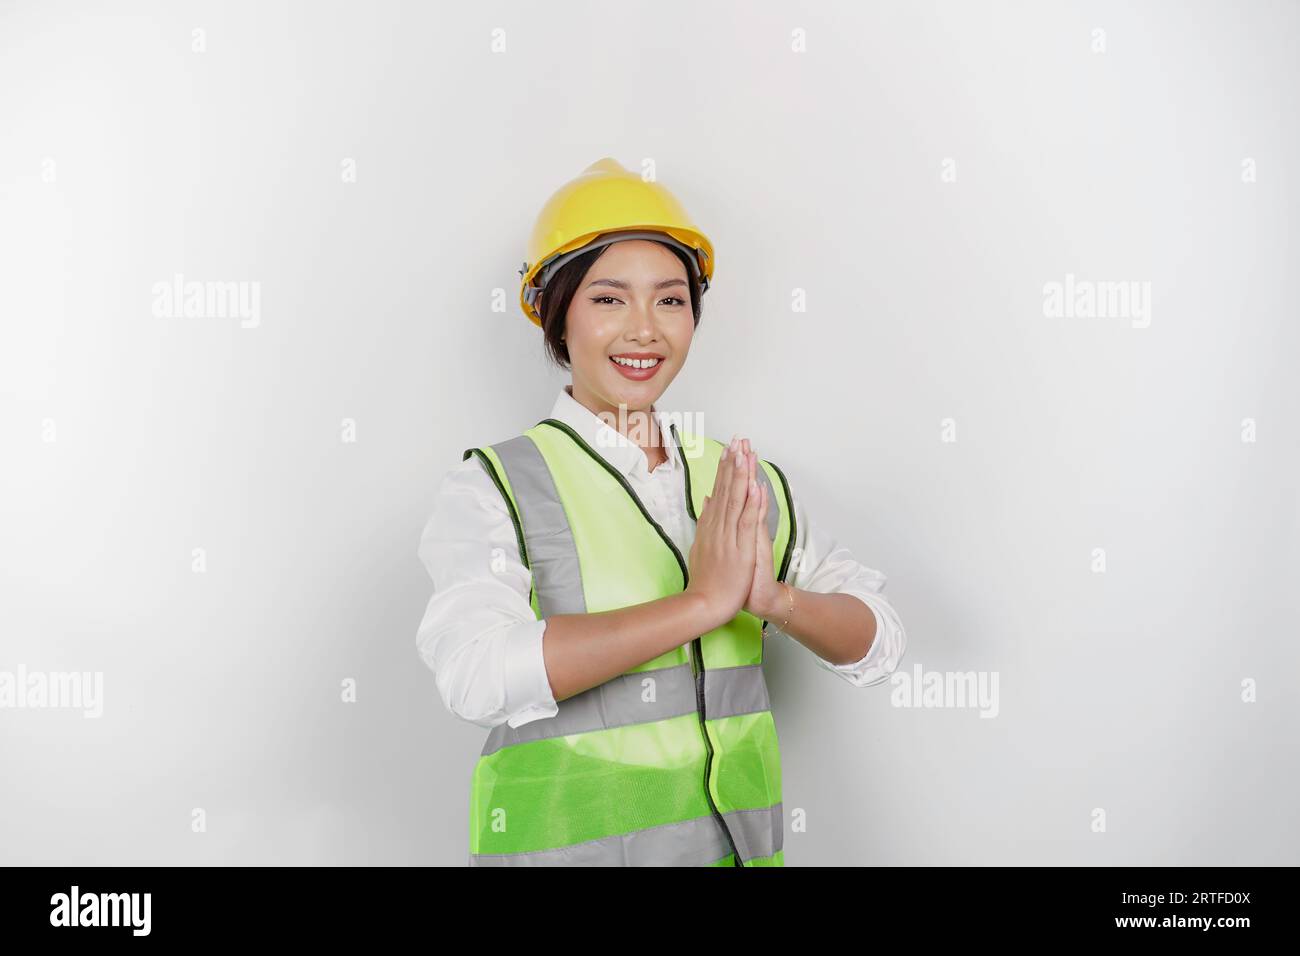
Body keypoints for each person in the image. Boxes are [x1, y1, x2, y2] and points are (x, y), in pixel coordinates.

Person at [416, 157, 907, 866]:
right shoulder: (498, 485)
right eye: (609, 300)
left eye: (671, 301)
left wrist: (774, 599)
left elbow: (879, 645)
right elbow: (475, 675)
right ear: (556, 314)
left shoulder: (741, 479)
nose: (644, 330)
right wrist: (702, 605)